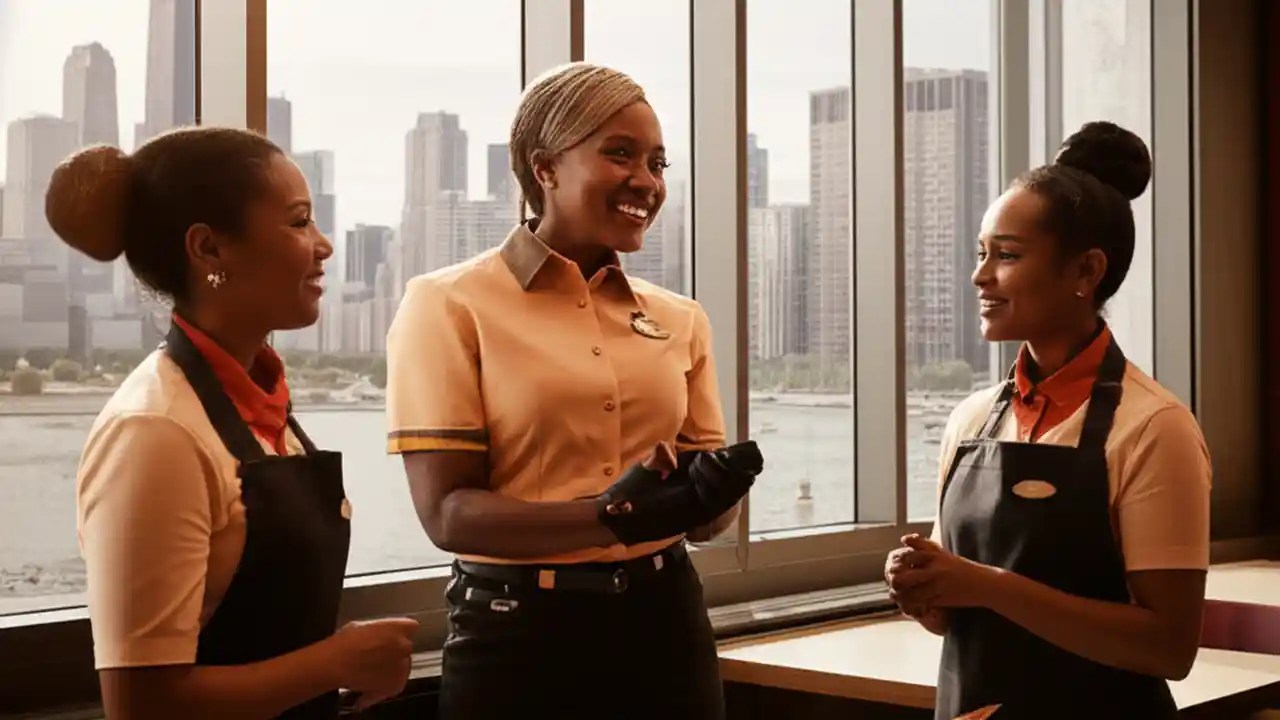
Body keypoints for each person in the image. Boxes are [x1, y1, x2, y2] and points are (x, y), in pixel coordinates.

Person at [386, 62, 761, 719]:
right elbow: (447, 514)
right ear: (545, 168)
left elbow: (705, 523)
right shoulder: (447, 304)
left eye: (658, 162)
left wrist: (712, 495)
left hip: (666, 624)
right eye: (620, 154)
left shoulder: (681, 319)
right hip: (518, 636)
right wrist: (614, 514)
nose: (646, 181)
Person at [51, 127, 417, 720]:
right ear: (209, 249)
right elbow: (142, 704)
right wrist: (335, 662)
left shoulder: (263, 406)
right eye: (299, 222)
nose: (323, 246)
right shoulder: (155, 431)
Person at [885, 121, 1211, 720]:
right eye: (981, 253)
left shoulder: (1155, 427)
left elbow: (1168, 647)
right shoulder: (971, 419)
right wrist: (923, 589)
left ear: (1086, 272)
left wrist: (985, 584)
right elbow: (957, 614)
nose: (981, 276)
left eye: (1007, 255)